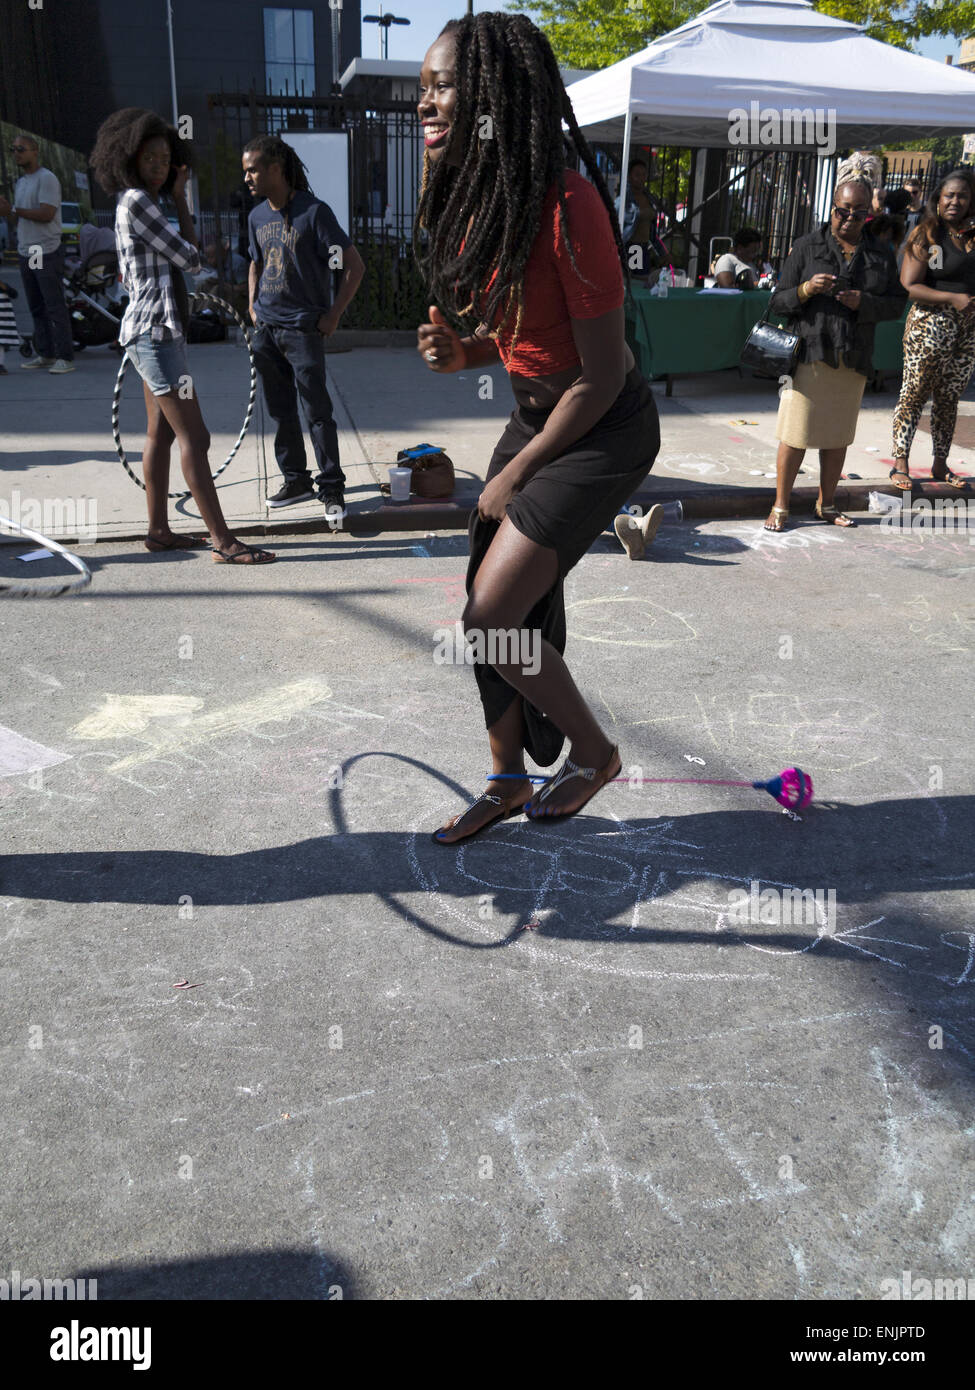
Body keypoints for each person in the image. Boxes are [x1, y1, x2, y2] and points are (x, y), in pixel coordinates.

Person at [415, 12, 660, 842]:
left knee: (490, 616)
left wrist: (516, 475)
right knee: (485, 612)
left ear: (491, 94)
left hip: (603, 424)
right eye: (423, 88)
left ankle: (593, 756)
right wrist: (467, 354)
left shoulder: (567, 203)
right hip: (537, 416)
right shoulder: (496, 202)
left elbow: (601, 372)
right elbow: (530, 338)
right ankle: (507, 779)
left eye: (442, 85)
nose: (427, 103)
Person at [90, 107, 274, 563]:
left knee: (162, 434)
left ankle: (158, 531)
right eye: (149, 156)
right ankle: (223, 541)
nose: (157, 163)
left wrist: (175, 197)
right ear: (129, 158)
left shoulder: (137, 203)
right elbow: (191, 259)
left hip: (153, 331)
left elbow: (178, 261)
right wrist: (181, 200)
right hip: (154, 333)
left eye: (164, 157)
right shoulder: (138, 202)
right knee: (197, 436)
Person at [763, 153, 906, 531]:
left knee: (837, 435)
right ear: (832, 209)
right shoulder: (807, 247)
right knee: (796, 434)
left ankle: (826, 504)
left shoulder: (879, 252)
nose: (849, 218)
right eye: (843, 211)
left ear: (868, 215)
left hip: (853, 355)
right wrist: (807, 289)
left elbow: (896, 302)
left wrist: (865, 303)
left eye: (859, 213)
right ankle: (780, 504)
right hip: (810, 352)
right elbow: (777, 301)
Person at [243, 136, 365, 516]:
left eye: (253, 169)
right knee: (280, 411)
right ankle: (296, 479)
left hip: (301, 329)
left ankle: (331, 489)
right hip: (266, 329)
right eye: (245, 170)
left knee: (317, 411)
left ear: (276, 169)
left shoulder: (314, 213)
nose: (246, 177)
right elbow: (255, 262)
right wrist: (252, 305)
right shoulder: (256, 216)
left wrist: (333, 314)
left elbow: (354, 267)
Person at [889, 167, 975, 493]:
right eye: (949, 195)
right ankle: (900, 462)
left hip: (967, 331)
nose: (955, 201)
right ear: (938, 199)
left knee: (949, 398)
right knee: (914, 395)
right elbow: (908, 285)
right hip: (929, 326)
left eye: (962, 196)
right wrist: (952, 297)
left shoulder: (971, 235)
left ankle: (940, 464)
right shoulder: (927, 234)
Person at [0, 133, 75, 374]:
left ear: (35, 151)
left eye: (21, 149)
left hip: (46, 249)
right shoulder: (21, 183)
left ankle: (65, 357)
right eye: (13, 150)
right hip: (27, 250)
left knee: (54, 305)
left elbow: (46, 214)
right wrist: (6, 211)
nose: (16, 153)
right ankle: (45, 353)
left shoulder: (47, 179)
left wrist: (13, 209)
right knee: (36, 306)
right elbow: (17, 216)